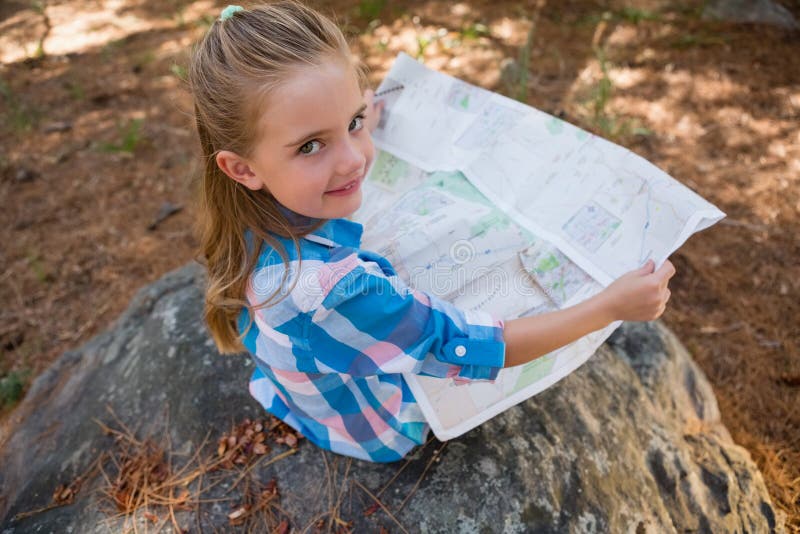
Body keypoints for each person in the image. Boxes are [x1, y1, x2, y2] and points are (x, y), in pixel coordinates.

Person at [187, 1, 676, 462]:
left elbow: (324, 145)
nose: (354, 158)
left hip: (314, 374)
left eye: (353, 121)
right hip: (380, 424)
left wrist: (341, 127)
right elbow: (475, 345)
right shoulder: (333, 291)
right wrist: (609, 307)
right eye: (312, 145)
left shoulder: (248, 207)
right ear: (243, 168)